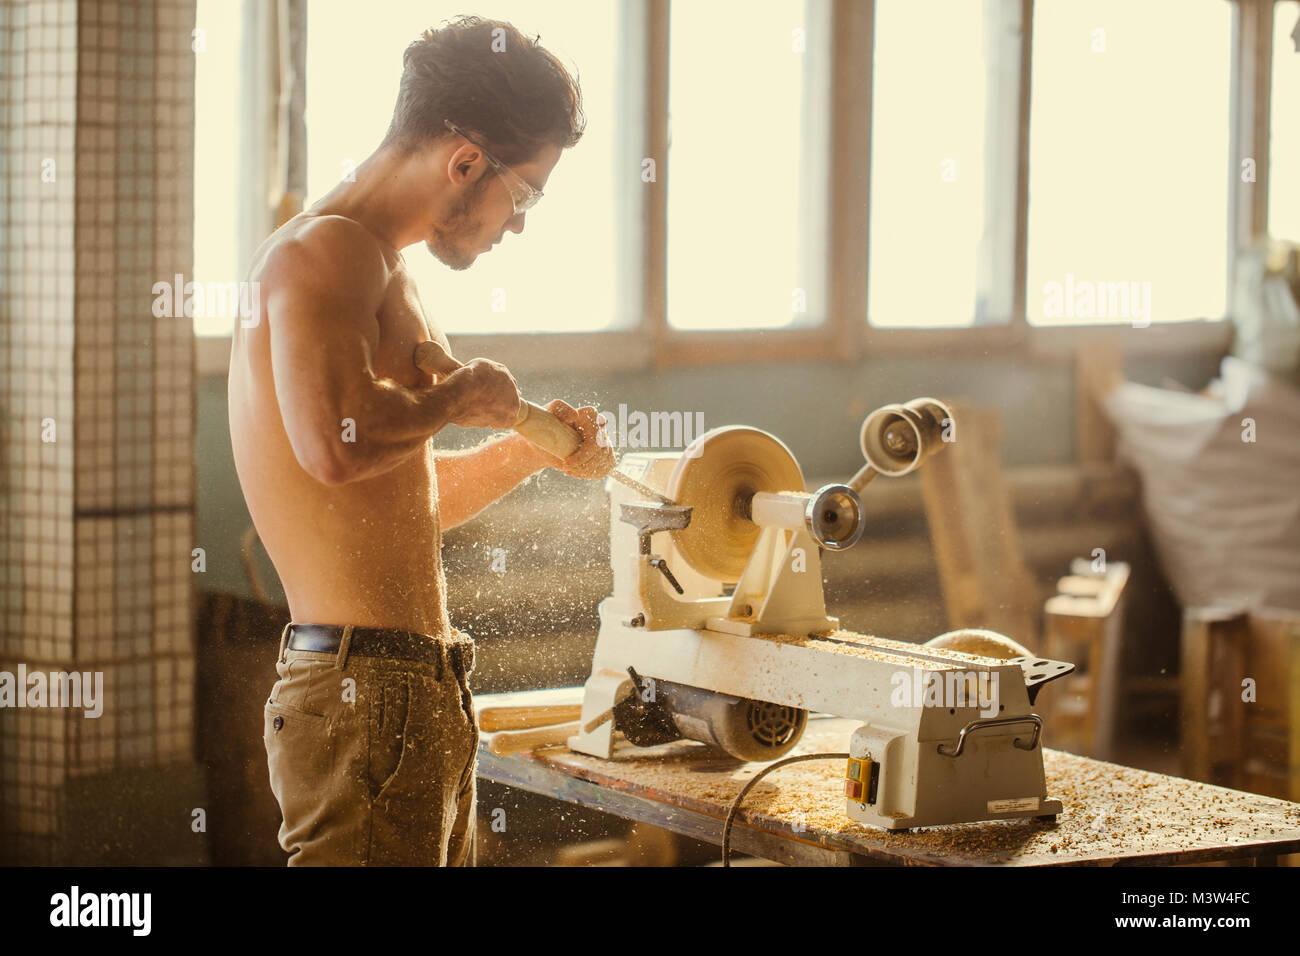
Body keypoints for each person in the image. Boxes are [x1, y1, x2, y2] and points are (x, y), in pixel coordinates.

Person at [226, 16, 613, 866]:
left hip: (415, 688)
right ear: (467, 161)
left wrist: (526, 450)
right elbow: (334, 445)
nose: (519, 224)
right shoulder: (323, 255)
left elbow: (404, 503)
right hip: (363, 692)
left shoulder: (386, 274)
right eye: (528, 193)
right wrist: (460, 395)